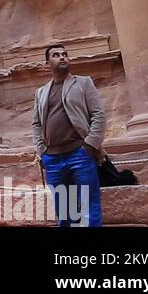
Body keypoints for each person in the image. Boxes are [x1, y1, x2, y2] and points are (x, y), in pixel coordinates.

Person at [32, 44, 106, 227]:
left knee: (89, 205)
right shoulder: (41, 92)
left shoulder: (83, 83)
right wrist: (42, 151)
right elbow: (36, 124)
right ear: (47, 63)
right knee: (64, 210)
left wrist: (90, 145)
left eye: (65, 54)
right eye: (56, 55)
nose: (62, 57)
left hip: (79, 154)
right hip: (52, 159)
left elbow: (99, 115)